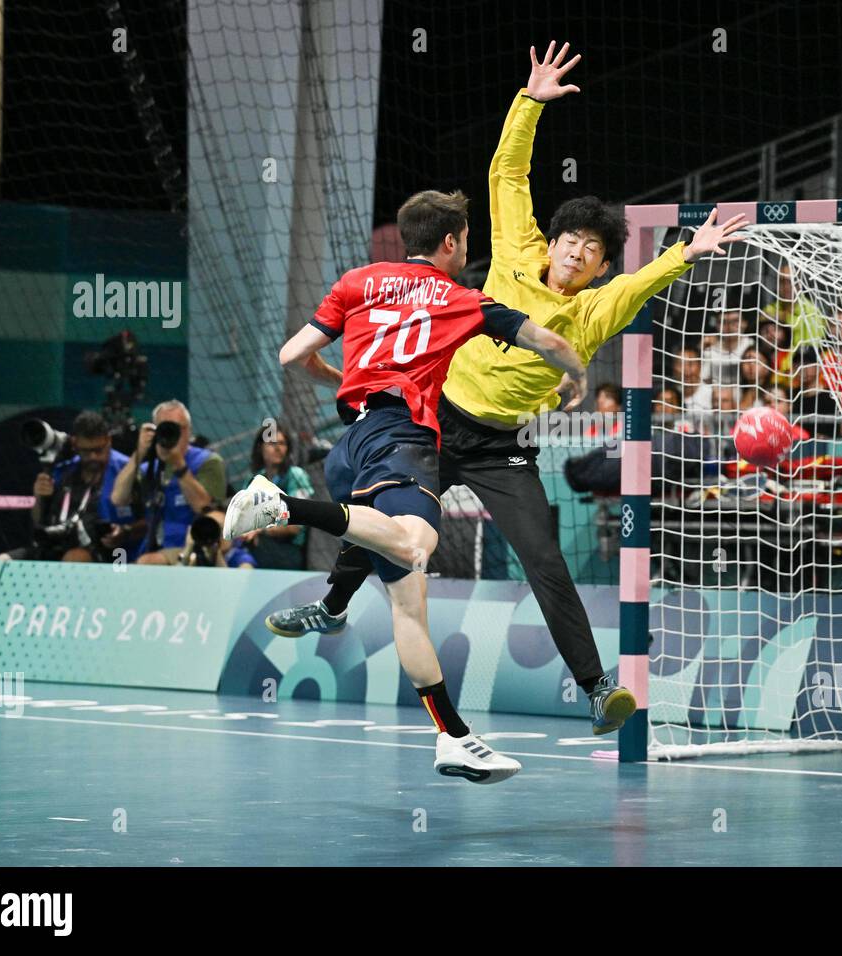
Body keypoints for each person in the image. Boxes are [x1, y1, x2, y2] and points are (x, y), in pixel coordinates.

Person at [261, 42, 746, 737]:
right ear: (552, 243)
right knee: (381, 516)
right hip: (434, 419)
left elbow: (644, 280)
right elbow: (506, 171)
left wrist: (684, 254)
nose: (577, 252)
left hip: (503, 447)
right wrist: (529, 103)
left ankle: (595, 686)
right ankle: (334, 606)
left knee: (544, 557)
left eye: (592, 251)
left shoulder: (595, 309)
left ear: (601, 265)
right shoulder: (517, 251)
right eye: (570, 240)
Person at [226, 187, 587, 784]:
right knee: (414, 545)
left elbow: (292, 354)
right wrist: (574, 373)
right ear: (450, 243)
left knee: (407, 604)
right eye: (466, 239)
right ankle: (281, 503)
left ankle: (454, 738)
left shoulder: (358, 282)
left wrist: (347, 380)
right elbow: (547, 341)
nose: (466, 248)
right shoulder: (464, 299)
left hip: (351, 445)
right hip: (402, 439)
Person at [0, 410, 138, 562]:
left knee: (76, 557)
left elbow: (148, 520)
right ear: (74, 443)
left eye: (98, 450)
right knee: (1, 561)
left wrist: (126, 532)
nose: (93, 457)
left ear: (108, 440)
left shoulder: (127, 470)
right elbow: (38, 521)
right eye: (86, 451)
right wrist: (39, 497)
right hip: (58, 546)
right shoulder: (61, 470)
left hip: (114, 554)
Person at [111, 399, 227, 565]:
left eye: (177, 428)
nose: (172, 435)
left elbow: (204, 508)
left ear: (189, 431)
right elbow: (118, 499)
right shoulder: (149, 468)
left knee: (147, 563)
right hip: (155, 546)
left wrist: (179, 464)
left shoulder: (208, 462)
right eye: (164, 428)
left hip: (196, 547)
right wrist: (139, 453)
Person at [241, 421, 314, 571]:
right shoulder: (254, 479)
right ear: (260, 447)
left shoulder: (296, 476)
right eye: (272, 443)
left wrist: (261, 529)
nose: (278, 448)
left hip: (287, 550)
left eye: (282, 443)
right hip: (257, 543)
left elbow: (294, 527)